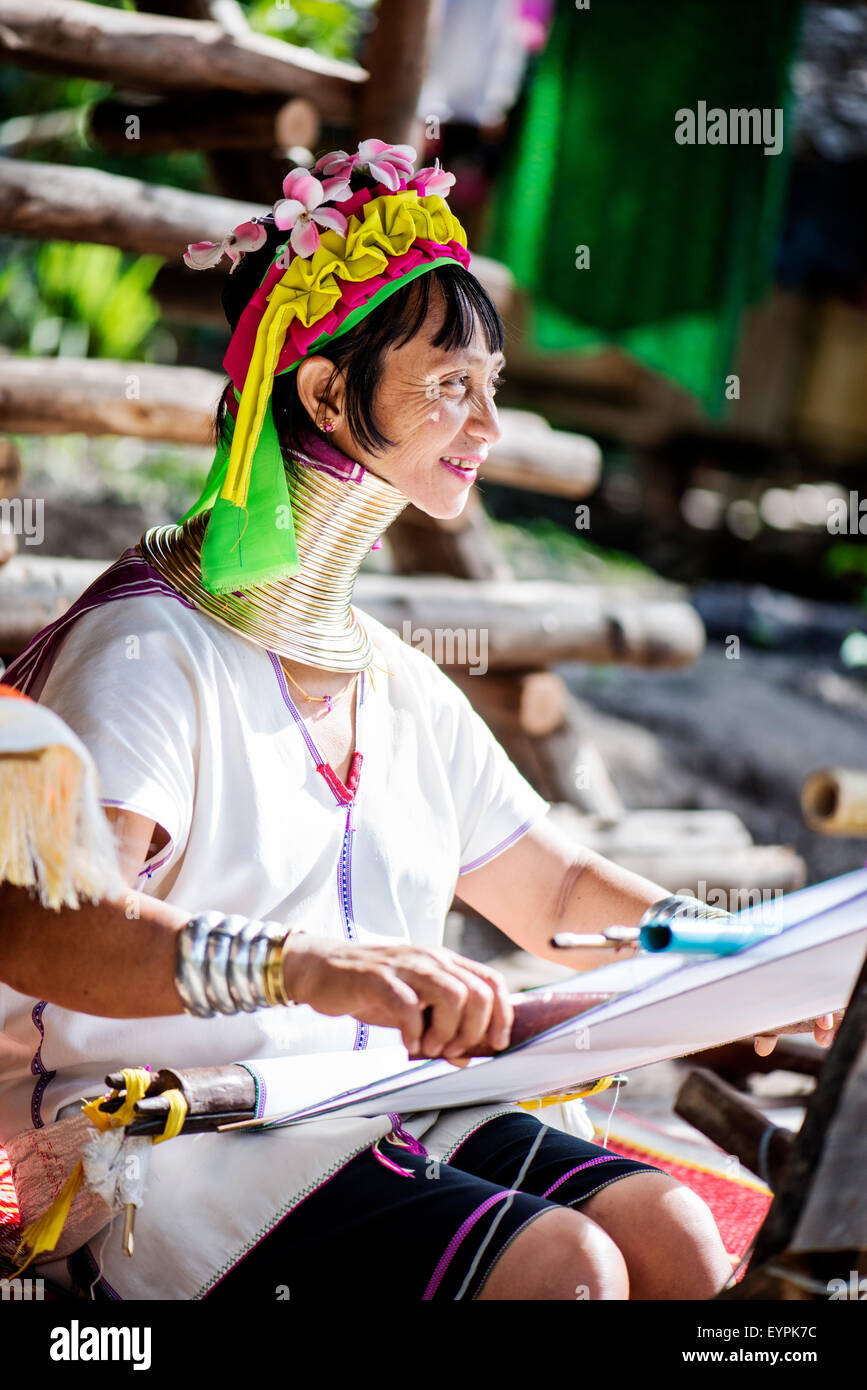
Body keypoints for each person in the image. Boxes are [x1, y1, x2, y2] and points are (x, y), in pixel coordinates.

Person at [0, 141, 798, 1302]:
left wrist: (740, 956)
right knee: (565, 1266)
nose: (487, 424)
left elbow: (557, 893)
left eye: (494, 386)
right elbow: (43, 932)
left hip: (366, 1101)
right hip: (175, 1138)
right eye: (449, 383)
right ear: (326, 390)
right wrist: (309, 968)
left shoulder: (394, 679)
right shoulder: (150, 652)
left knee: (674, 1233)